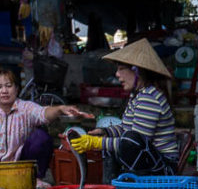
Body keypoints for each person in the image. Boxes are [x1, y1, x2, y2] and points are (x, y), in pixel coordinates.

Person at [0, 68, 91, 178]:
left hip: (21, 163)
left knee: (41, 136)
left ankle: (36, 179)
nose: (4, 91)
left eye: (9, 86)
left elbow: (43, 114)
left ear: (16, 89)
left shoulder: (26, 107)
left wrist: (60, 109)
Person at [70, 39, 178, 176]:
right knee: (111, 145)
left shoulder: (149, 97)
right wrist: (105, 132)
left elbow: (133, 142)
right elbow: (126, 129)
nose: (117, 74)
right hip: (151, 163)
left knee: (117, 143)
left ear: (137, 71)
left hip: (163, 169)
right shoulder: (138, 95)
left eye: (121, 69)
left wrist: (97, 143)